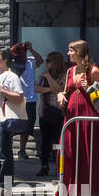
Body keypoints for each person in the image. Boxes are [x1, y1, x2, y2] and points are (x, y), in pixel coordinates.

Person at [56, 39, 99, 196]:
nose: (68, 53)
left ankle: (93, 193)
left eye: (71, 50)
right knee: (68, 152)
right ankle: (70, 191)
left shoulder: (93, 70)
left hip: (88, 117)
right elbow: (65, 91)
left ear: (80, 52)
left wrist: (89, 86)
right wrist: (61, 95)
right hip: (71, 117)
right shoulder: (70, 71)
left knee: (90, 154)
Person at [0, 48, 28, 187]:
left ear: (5, 59)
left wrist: (2, 91)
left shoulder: (11, 76)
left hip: (2, 121)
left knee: (4, 156)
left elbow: (19, 97)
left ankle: (5, 187)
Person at [34, 50, 65, 178]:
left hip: (58, 112)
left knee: (58, 141)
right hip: (44, 112)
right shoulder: (43, 75)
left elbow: (60, 88)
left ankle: (60, 168)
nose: (46, 63)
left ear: (55, 62)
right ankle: (44, 166)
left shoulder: (63, 75)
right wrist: (50, 88)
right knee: (45, 141)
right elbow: (36, 88)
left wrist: (49, 78)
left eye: (48, 61)